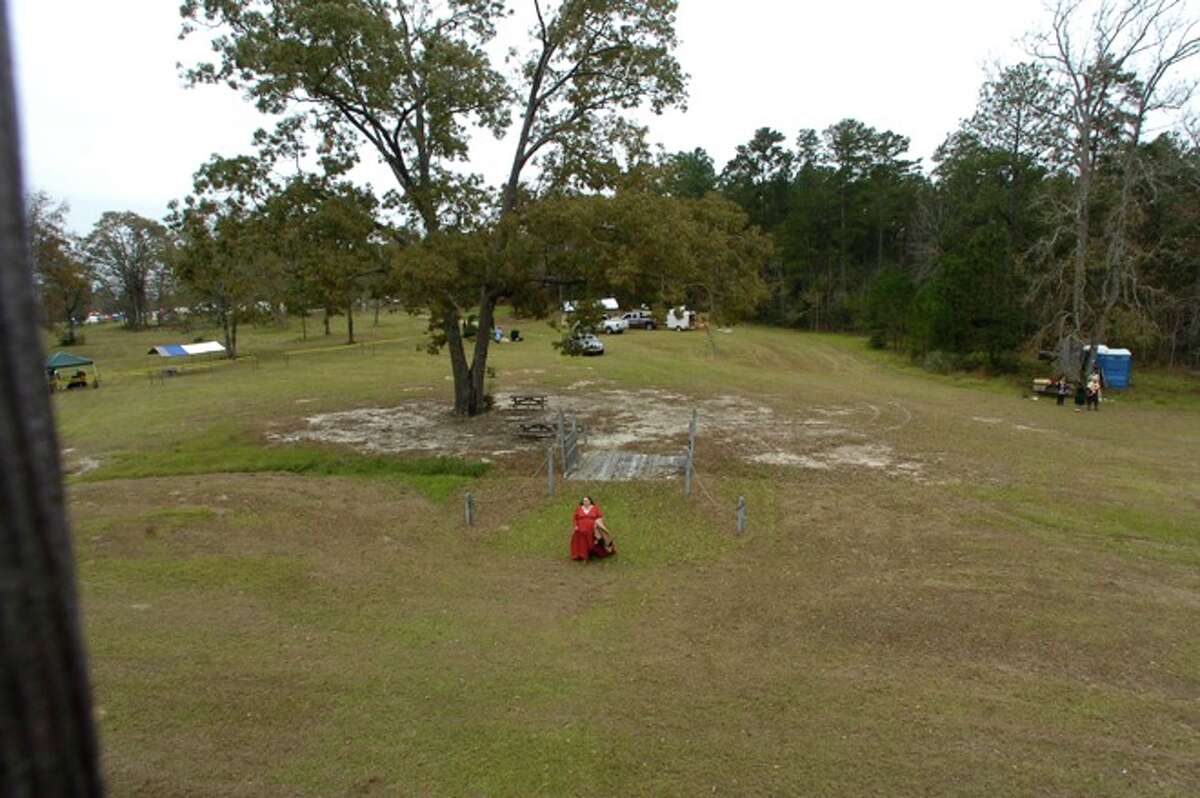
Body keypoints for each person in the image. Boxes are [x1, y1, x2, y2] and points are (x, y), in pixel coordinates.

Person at [570, 495, 615, 561]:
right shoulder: (579, 508)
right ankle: (582, 555)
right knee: (580, 538)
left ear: (590, 501)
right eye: (584, 501)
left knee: (593, 540)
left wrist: (596, 524)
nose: (585, 502)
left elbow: (600, 517)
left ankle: (595, 552)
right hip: (581, 527)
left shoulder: (595, 508)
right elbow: (575, 518)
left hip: (592, 527)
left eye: (586, 501)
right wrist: (576, 526)